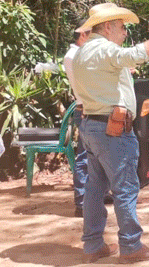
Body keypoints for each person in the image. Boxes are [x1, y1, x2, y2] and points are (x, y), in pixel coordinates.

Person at [72, 3, 149, 263]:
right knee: (125, 187)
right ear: (107, 27)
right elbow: (140, 53)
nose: (125, 33)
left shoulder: (82, 52)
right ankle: (130, 247)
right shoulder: (105, 48)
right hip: (113, 129)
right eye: (122, 27)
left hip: (91, 126)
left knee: (94, 188)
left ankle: (93, 246)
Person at [63, 27, 91, 217]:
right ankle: (81, 201)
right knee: (85, 156)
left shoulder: (78, 54)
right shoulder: (74, 56)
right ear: (82, 35)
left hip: (88, 107)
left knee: (94, 155)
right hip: (86, 108)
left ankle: (99, 194)